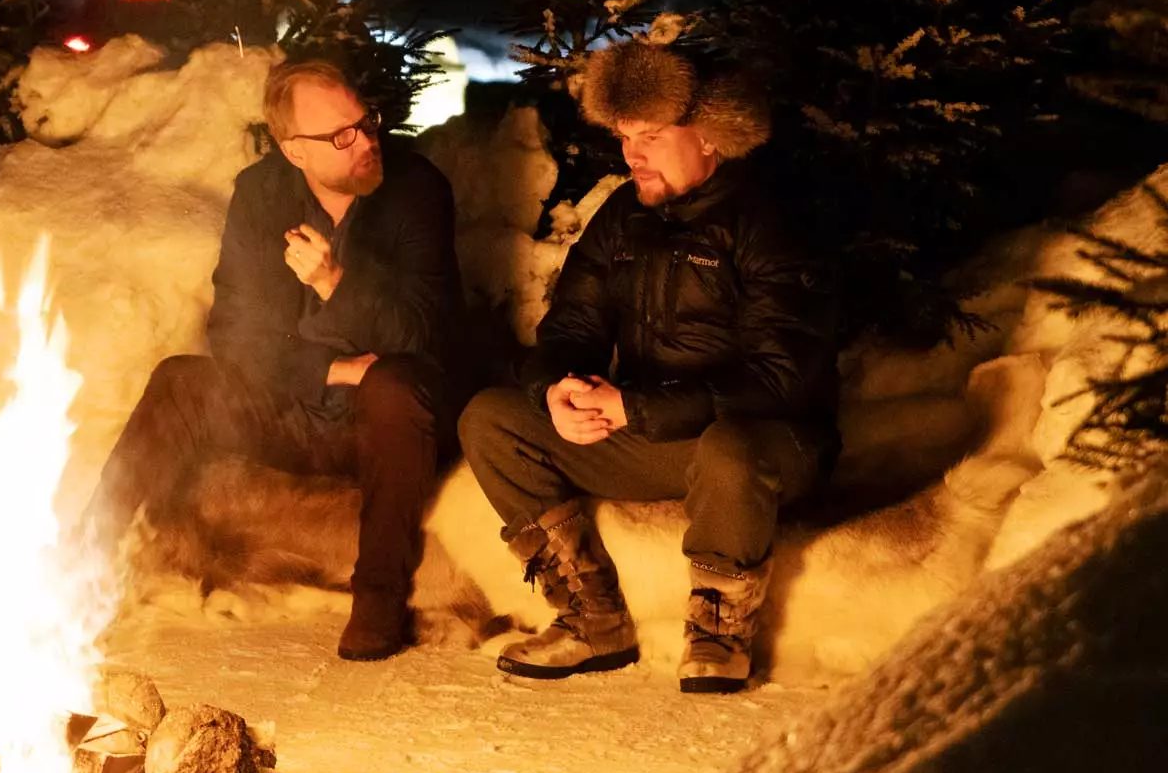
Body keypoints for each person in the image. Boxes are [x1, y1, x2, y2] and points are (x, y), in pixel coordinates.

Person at [458, 40, 839, 693]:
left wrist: (637, 408)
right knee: (491, 418)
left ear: (712, 137)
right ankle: (591, 617)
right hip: (654, 433)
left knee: (730, 448)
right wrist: (557, 388)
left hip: (767, 441)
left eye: (653, 136)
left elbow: (781, 376)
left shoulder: (769, 222)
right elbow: (571, 327)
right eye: (626, 136)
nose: (633, 154)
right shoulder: (623, 218)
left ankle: (719, 629)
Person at [80, 58, 463, 661]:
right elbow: (236, 334)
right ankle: (82, 560)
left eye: (366, 123)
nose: (365, 141)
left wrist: (338, 284)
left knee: (395, 384)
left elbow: (421, 335)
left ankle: (379, 598)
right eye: (340, 136)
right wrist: (327, 369)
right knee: (182, 381)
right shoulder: (262, 195)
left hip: (383, 421)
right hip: (291, 404)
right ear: (294, 152)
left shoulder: (416, 190)